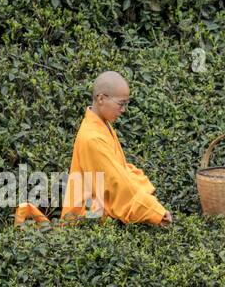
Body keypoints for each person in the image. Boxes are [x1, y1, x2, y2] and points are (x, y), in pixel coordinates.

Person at [14, 71, 173, 227]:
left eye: (126, 104)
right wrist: (155, 212)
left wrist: (147, 199)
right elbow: (116, 183)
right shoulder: (92, 138)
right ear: (101, 98)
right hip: (86, 220)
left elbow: (121, 171)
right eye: (121, 104)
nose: (123, 110)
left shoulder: (103, 124)